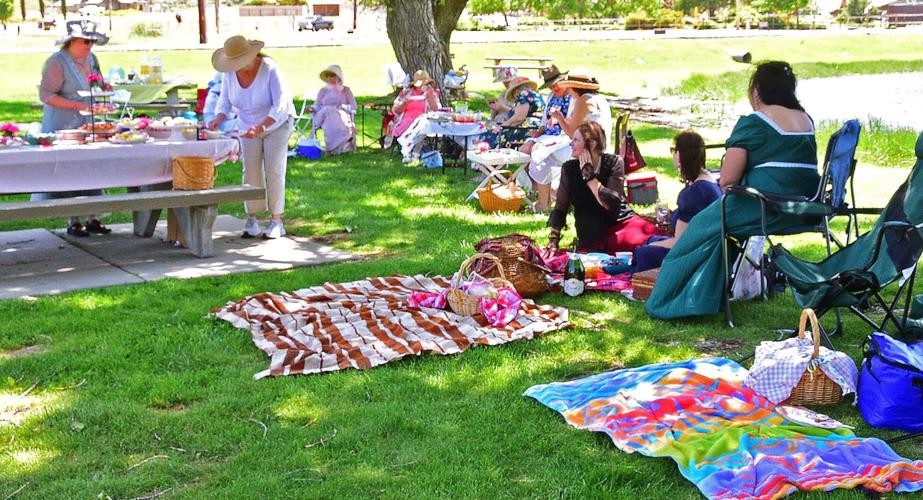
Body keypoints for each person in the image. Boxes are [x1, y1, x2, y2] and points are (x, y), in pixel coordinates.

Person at [646, 61, 820, 320]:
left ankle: (673, 301)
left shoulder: (755, 122)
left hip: (763, 207)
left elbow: (727, 179)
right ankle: (713, 291)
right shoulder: (806, 120)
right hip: (806, 209)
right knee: (717, 227)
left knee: (699, 229)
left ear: (758, 90)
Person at [208, 35, 295, 240]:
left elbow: (280, 104)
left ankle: (277, 220)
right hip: (247, 126)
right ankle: (252, 218)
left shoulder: (269, 69)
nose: (236, 67)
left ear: (251, 57)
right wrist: (218, 118)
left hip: (277, 123)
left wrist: (262, 126)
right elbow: (225, 101)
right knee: (250, 170)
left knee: (274, 169)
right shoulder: (230, 73)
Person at [35, 19, 111, 237]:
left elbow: (96, 83)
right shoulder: (57, 62)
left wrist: (104, 87)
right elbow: (46, 95)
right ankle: (73, 220)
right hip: (62, 124)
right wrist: (80, 106)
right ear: (72, 41)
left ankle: (93, 217)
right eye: (85, 41)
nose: (89, 45)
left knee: (91, 166)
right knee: (68, 170)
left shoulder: (92, 59)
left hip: (88, 124)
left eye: (92, 41)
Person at [547, 122, 664, 253]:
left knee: (659, 243)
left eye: (576, 140)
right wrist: (553, 241)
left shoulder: (613, 163)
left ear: (592, 144)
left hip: (621, 225)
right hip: (592, 234)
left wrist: (589, 177)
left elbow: (610, 204)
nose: (571, 144)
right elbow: (560, 207)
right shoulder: (570, 169)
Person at [632, 131, 721, 272]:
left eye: (674, 150)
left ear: (679, 155)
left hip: (695, 255)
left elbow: (680, 243)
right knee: (651, 240)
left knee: (643, 252)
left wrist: (649, 247)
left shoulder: (694, 192)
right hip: (707, 248)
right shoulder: (710, 181)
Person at [522, 65, 573, 212]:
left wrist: (559, 119)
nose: (554, 89)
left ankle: (544, 201)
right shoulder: (551, 97)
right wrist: (538, 132)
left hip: (563, 137)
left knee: (539, 152)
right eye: (551, 87)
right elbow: (545, 123)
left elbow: (572, 124)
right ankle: (537, 188)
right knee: (524, 150)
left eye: (556, 85)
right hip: (547, 135)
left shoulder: (572, 98)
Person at [550, 70, 614, 154]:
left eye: (569, 87)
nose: (568, 91)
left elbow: (572, 134)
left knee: (543, 153)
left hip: (591, 152)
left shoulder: (583, 100)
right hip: (601, 147)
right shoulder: (599, 98)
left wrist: (559, 118)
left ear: (574, 88)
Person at [478, 76, 544, 149]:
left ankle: (486, 153)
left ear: (516, 90)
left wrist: (503, 126)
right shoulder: (535, 95)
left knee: (489, 135)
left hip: (527, 130)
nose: (515, 97)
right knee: (493, 132)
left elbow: (519, 117)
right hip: (536, 128)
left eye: (513, 93)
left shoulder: (523, 94)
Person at [311, 65, 357, 156]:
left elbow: (353, 106)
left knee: (335, 118)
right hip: (325, 115)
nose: (329, 78)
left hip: (341, 114)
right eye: (327, 76)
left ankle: (336, 148)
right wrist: (312, 108)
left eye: (332, 76)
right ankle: (330, 148)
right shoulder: (323, 91)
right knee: (329, 114)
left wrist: (342, 107)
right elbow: (317, 105)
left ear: (338, 77)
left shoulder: (346, 90)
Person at [390, 69, 439, 139]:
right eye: (420, 84)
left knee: (423, 126)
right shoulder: (407, 93)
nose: (423, 86)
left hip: (423, 122)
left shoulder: (430, 93)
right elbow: (396, 111)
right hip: (406, 123)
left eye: (425, 84)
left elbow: (436, 110)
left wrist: (430, 97)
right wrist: (405, 103)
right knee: (409, 124)